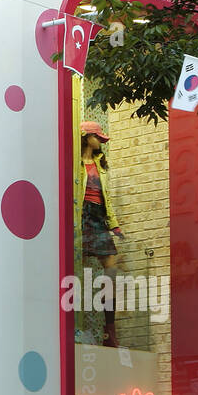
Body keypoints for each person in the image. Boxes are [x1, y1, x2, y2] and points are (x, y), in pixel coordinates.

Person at [76, 121, 123, 346]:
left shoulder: (99, 164)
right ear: (87, 137)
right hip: (81, 215)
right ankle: (76, 325)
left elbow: (107, 197)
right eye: (97, 137)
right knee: (77, 268)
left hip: (98, 216)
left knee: (111, 267)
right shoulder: (75, 164)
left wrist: (114, 224)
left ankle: (109, 328)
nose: (100, 141)